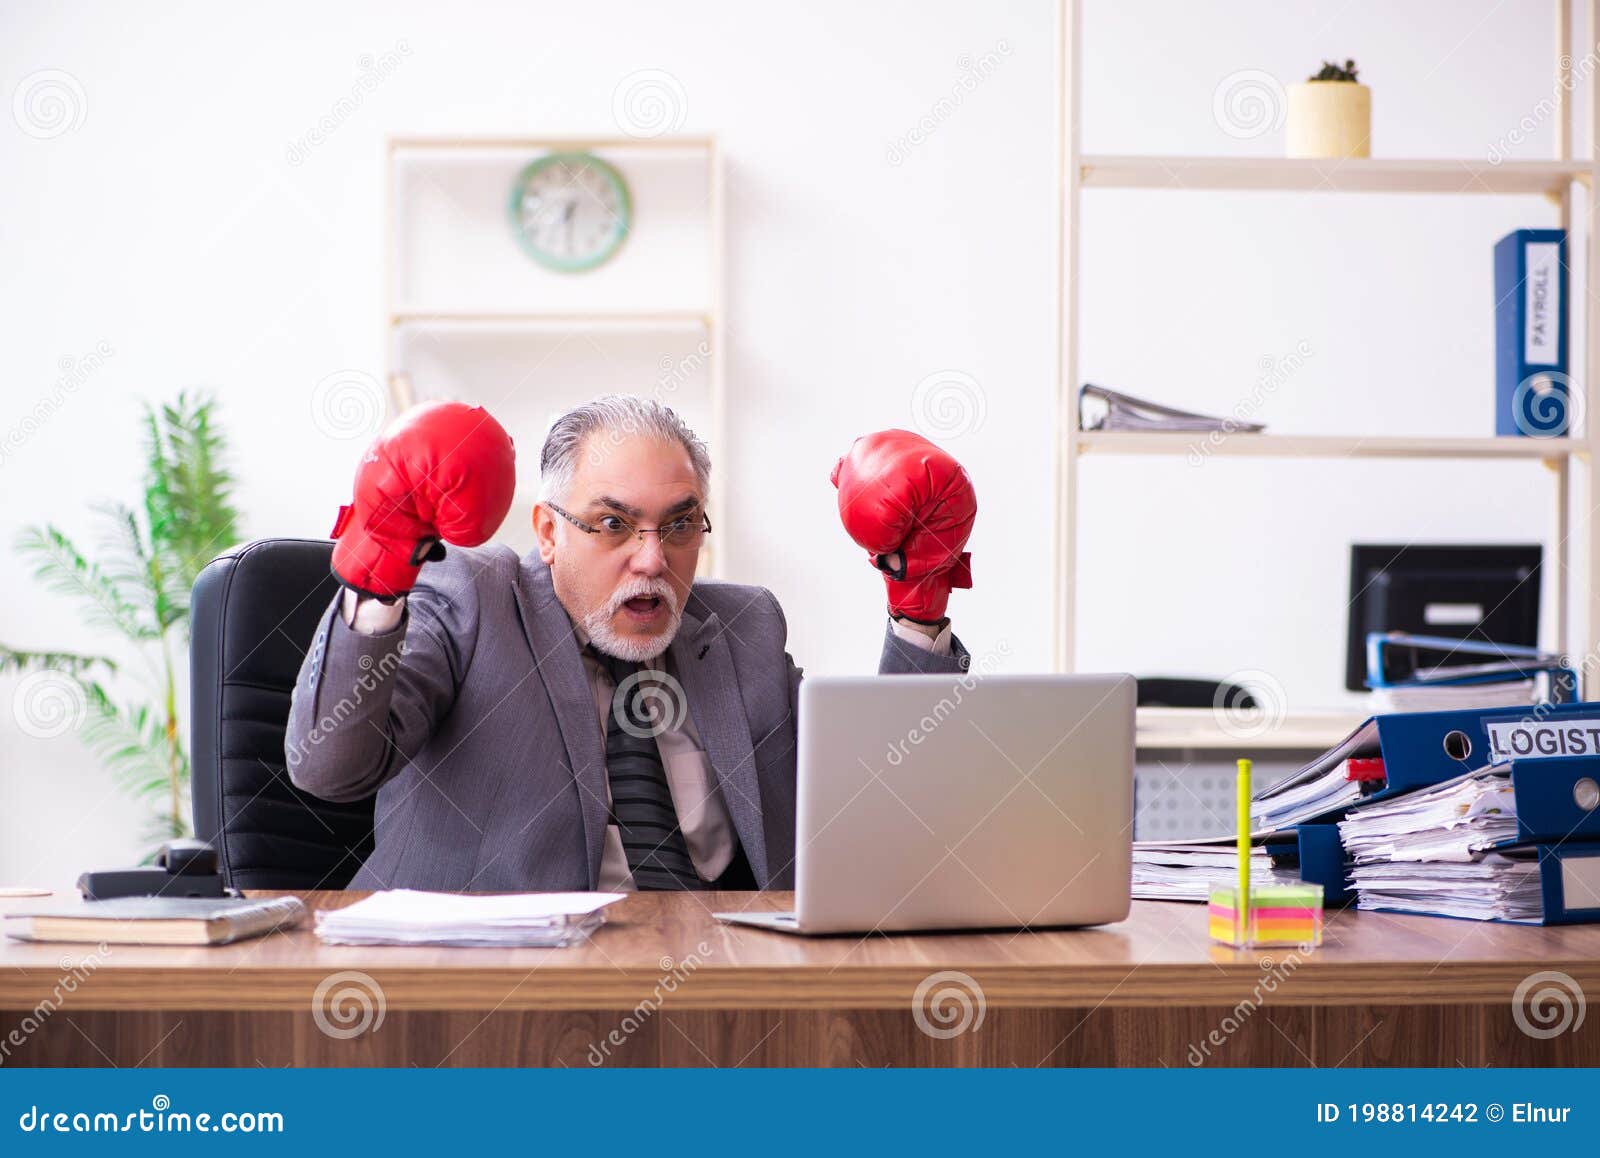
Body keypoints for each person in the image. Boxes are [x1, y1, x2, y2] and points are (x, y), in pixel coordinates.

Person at [286, 394, 977, 891]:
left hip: (732, 988)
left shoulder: (746, 629)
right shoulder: (469, 596)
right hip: (495, 1002)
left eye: (680, 526)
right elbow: (327, 767)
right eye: (613, 524)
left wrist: (919, 607)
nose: (653, 560)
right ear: (549, 532)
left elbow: (885, 810)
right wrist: (377, 575)